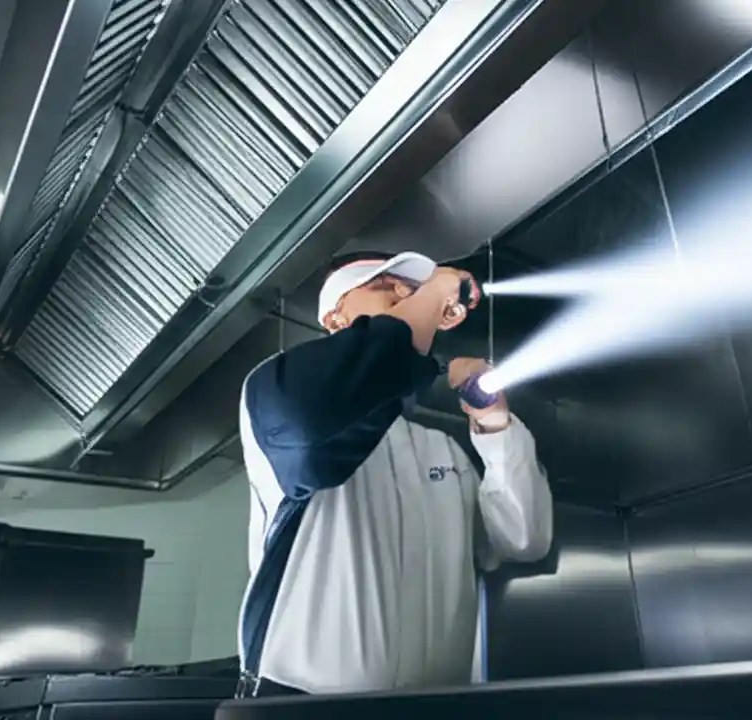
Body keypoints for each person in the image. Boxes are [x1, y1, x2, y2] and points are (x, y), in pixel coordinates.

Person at [236, 250, 553, 696]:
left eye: (412, 289)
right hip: (300, 705)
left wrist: (495, 425)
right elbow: (312, 433)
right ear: (337, 320)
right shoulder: (277, 393)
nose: (407, 295)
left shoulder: (441, 448)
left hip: (435, 707)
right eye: (388, 287)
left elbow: (524, 539)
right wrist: (437, 292)